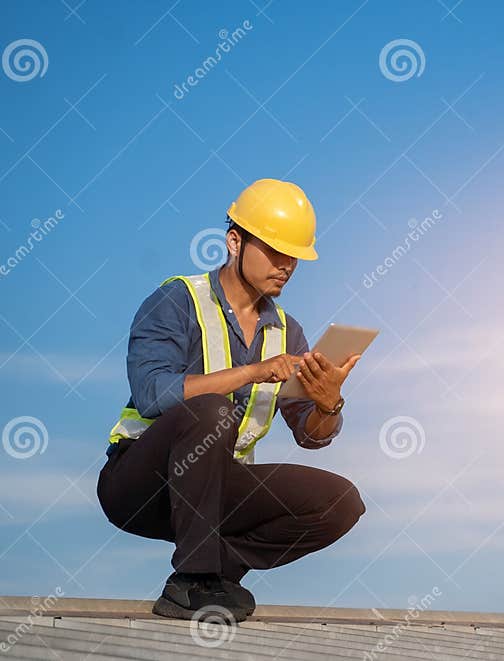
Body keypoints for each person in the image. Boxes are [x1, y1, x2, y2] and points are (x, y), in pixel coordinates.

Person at [96, 178, 367, 622]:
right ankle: (191, 578)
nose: (286, 266)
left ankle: (218, 572)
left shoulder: (286, 331)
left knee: (340, 502)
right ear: (234, 241)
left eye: (294, 257)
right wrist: (254, 371)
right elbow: (151, 393)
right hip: (139, 485)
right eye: (275, 251)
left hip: (214, 489)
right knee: (211, 410)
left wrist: (327, 405)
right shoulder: (177, 301)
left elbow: (311, 437)